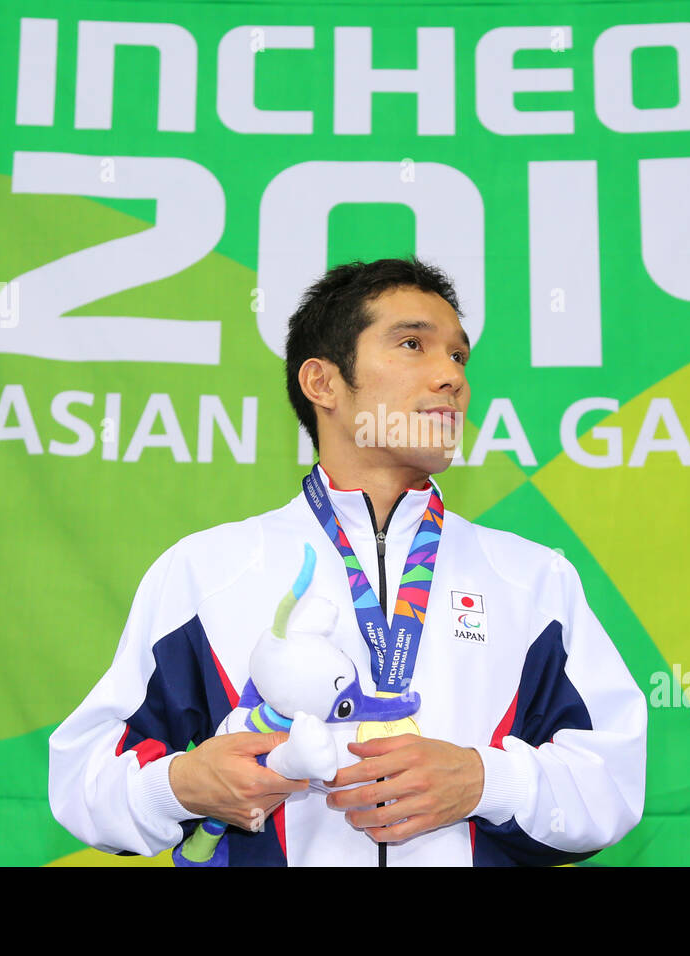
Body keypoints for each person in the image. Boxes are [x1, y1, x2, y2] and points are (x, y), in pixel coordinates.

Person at [48, 256, 647, 866]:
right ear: (323, 383)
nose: (452, 377)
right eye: (414, 344)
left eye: (460, 356)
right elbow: (83, 780)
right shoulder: (208, 570)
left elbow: (613, 782)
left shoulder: (534, 579)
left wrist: (485, 781)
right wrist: (179, 786)